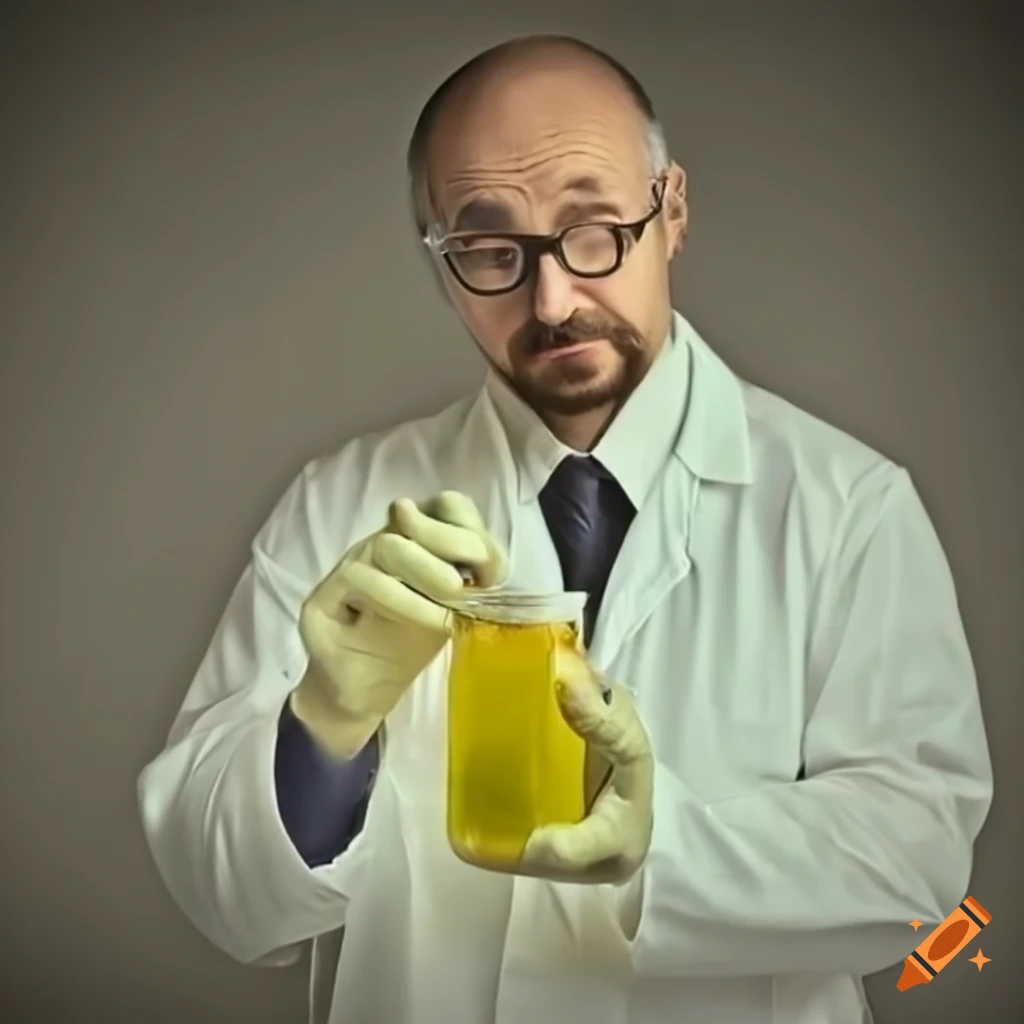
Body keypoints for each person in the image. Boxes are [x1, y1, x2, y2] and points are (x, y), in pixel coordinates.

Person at [137, 33, 994, 1024]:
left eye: (593, 230)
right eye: (489, 249)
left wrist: (656, 854)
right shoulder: (340, 503)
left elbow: (917, 856)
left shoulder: (846, 506)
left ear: (669, 211)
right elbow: (219, 890)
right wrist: (320, 734)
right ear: (440, 262)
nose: (553, 298)